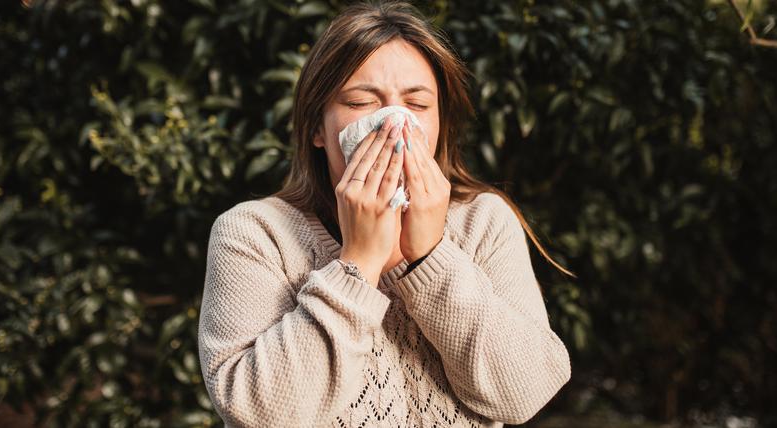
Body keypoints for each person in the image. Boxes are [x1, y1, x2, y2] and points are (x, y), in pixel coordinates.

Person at [198, 2, 573, 426]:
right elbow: (259, 414)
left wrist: (431, 257)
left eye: (417, 104)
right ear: (317, 127)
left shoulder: (483, 222)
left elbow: (525, 394)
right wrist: (358, 263)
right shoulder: (254, 233)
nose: (395, 123)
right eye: (361, 102)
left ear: (440, 124)